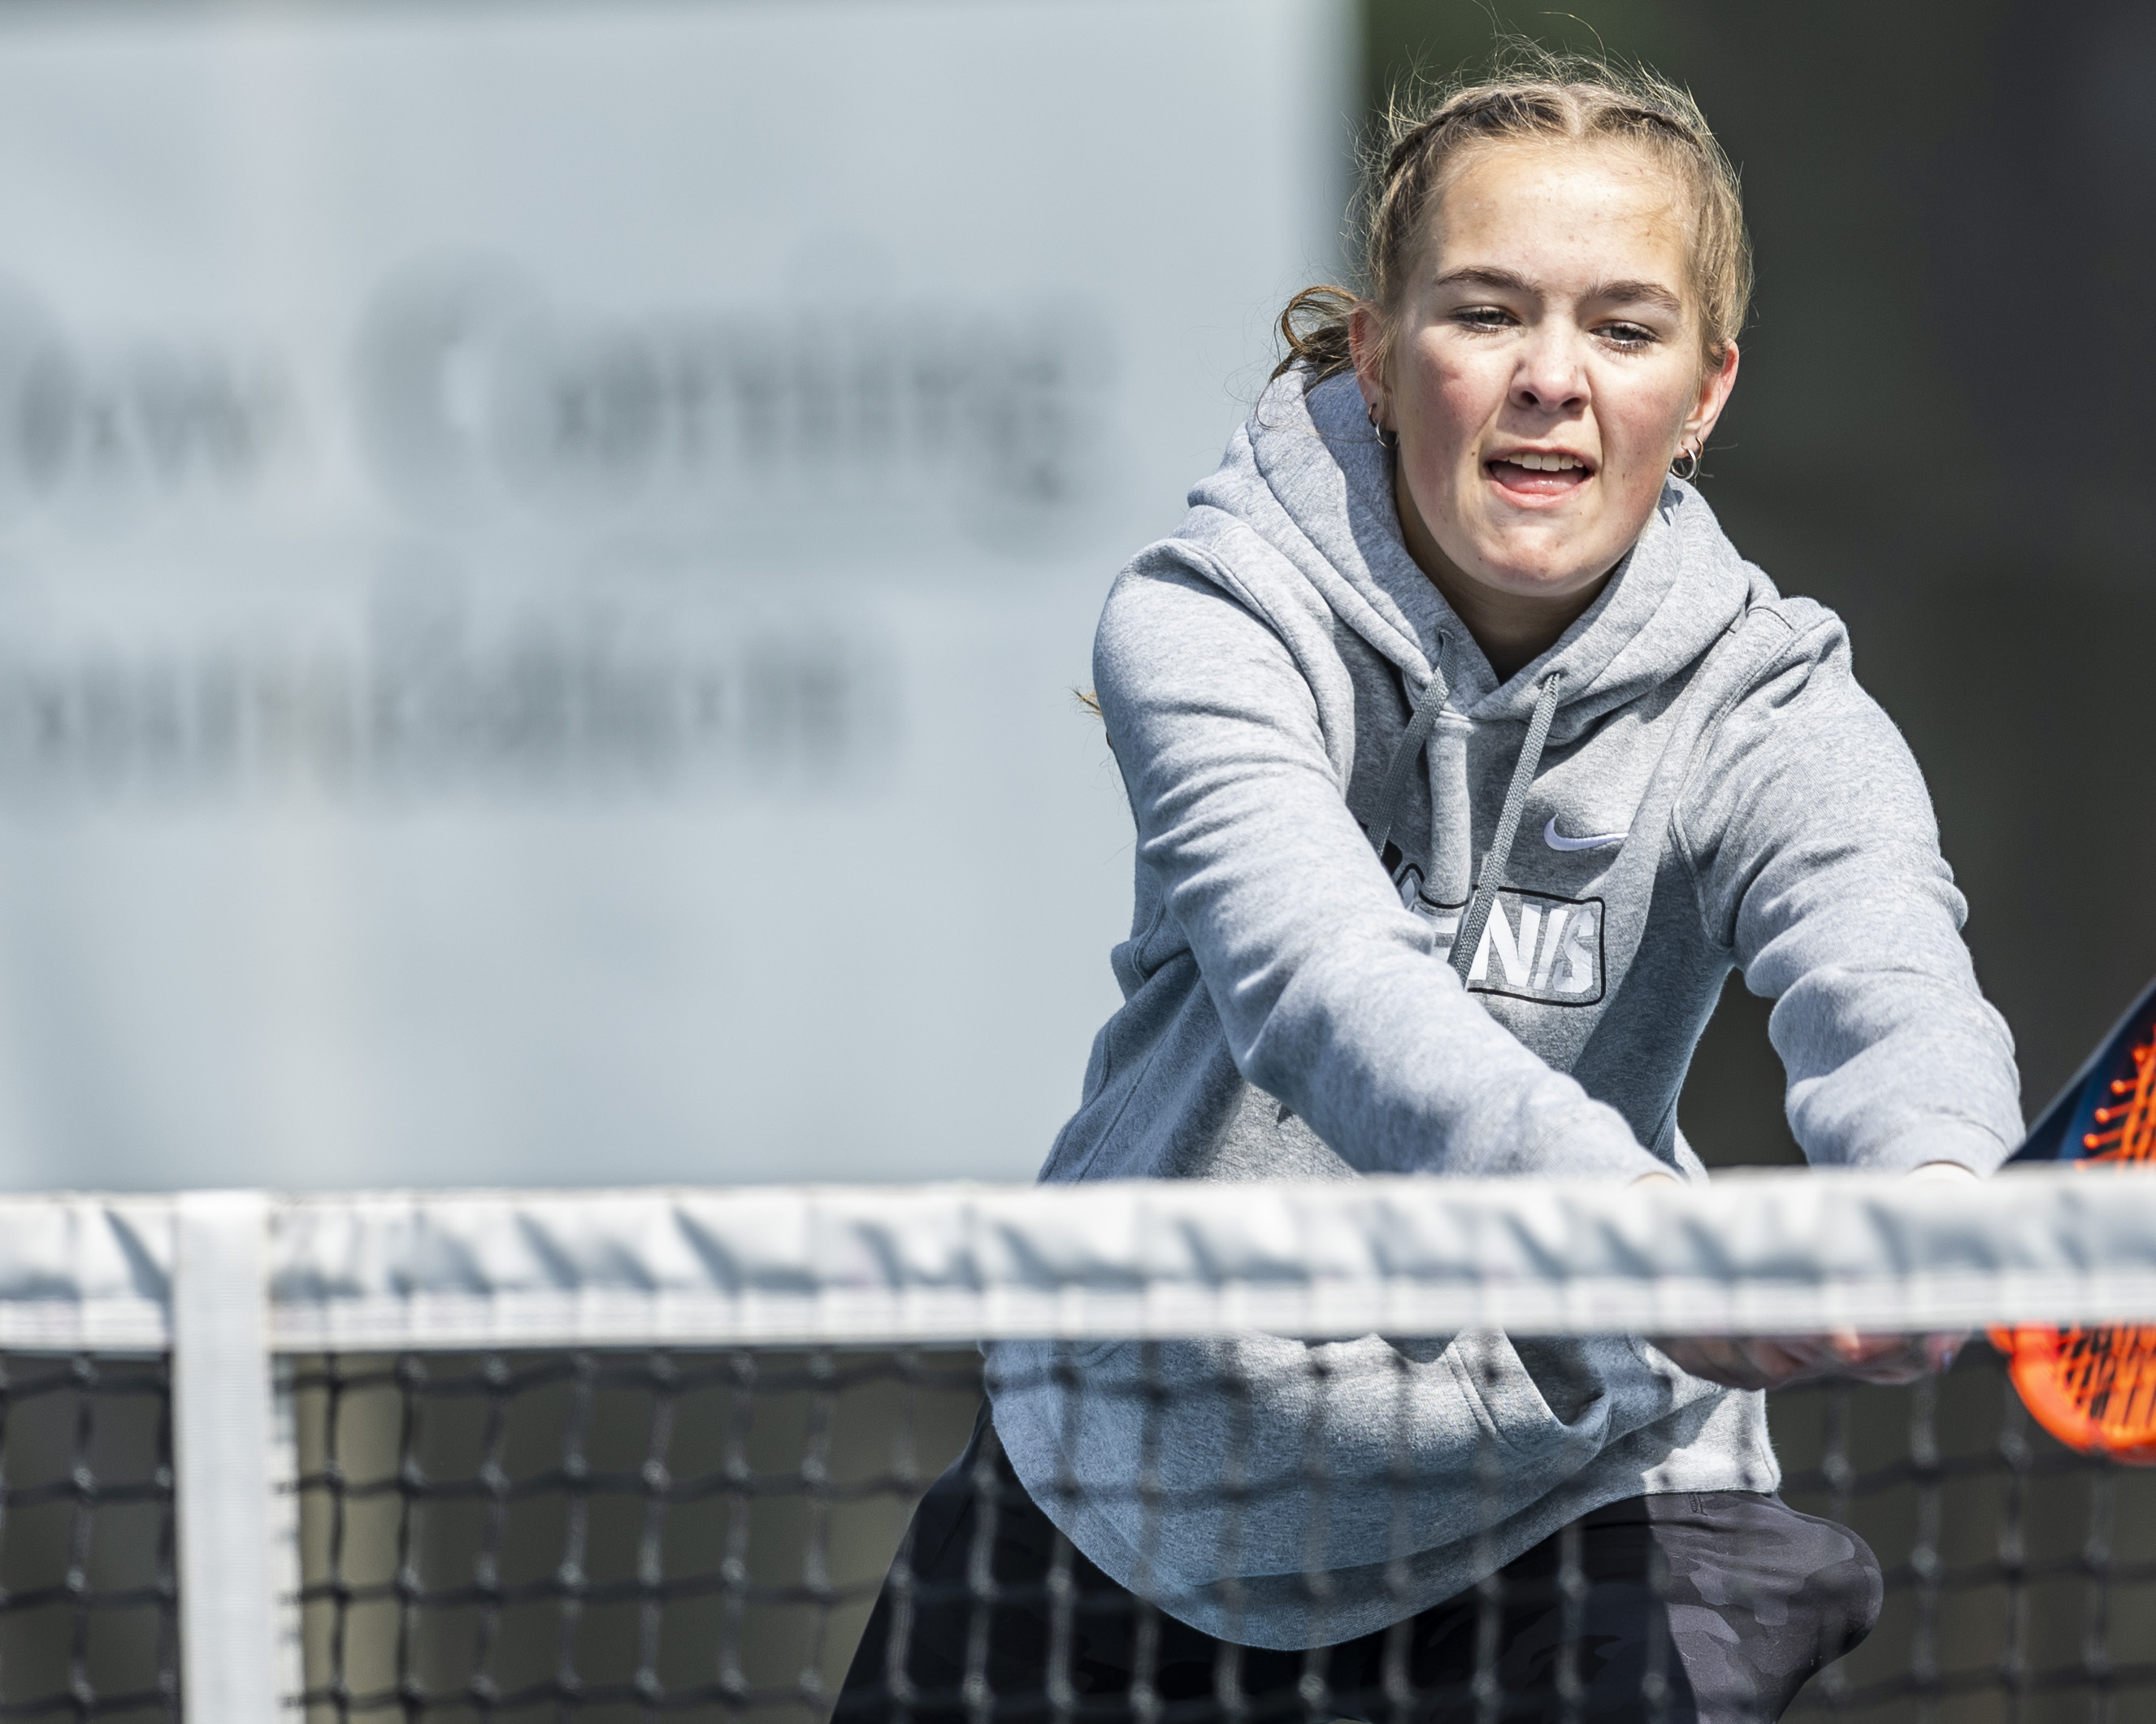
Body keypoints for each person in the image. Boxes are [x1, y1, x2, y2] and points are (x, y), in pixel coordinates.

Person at [839, 51, 2022, 1724]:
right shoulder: (1208, 622)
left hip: (1574, 1518)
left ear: (1704, 396)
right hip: (1125, 1496)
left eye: (1623, 329)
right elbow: (1327, 987)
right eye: (1486, 315)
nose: (1553, 378)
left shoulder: (1774, 708)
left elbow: (1888, 969)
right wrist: (1647, 1247)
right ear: (1382, 364)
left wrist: (1930, 1188)